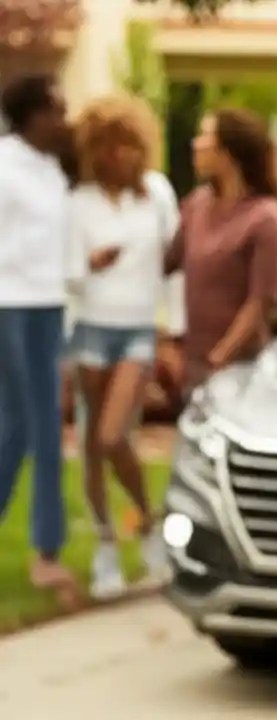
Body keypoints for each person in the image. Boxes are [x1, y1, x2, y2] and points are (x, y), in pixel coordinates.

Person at [64, 95, 180, 599]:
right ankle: (106, 548)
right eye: (111, 146)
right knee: (92, 445)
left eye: (130, 144)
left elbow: (175, 265)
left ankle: (151, 529)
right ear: (94, 150)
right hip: (89, 328)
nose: (122, 155)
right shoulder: (77, 200)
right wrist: (88, 263)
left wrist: (173, 331)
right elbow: (58, 271)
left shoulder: (157, 194)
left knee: (114, 437)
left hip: (137, 329)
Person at [0, 74, 76, 593]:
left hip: (49, 306)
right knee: (29, 426)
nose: (62, 121)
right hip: (8, 306)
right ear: (30, 114)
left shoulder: (52, 170)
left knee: (34, 428)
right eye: (55, 111)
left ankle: (46, 549)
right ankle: (45, 550)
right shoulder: (3, 164)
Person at [165, 108, 277, 394]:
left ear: (228, 153)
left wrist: (219, 357)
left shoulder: (265, 217)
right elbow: (164, 264)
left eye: (205, 135)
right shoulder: (196, 205)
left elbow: (261, 301)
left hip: (238, 368)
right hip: (193, 363)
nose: (195, 143)